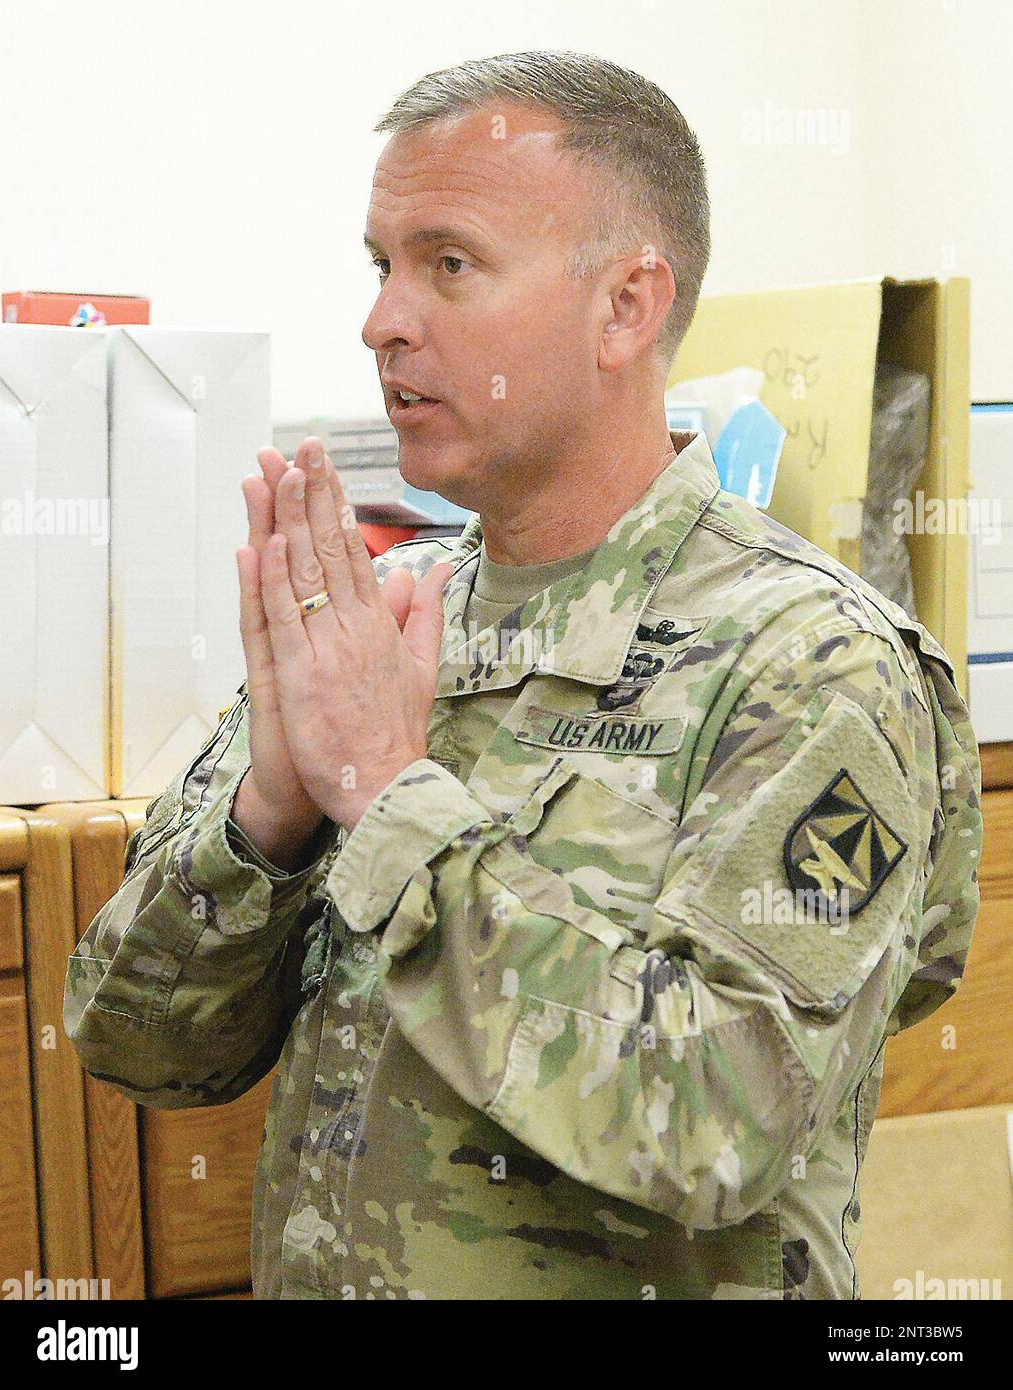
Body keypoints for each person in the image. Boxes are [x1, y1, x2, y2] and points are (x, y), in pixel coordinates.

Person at [64, 50, 981, 1300]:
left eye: (448, 263)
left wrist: (391, 801)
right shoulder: (384, 623)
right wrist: (266, 822)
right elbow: (137, 1045)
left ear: (625, 307)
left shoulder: (813, 663)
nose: (385, 318)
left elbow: (714, 1120)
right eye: (379, 264)